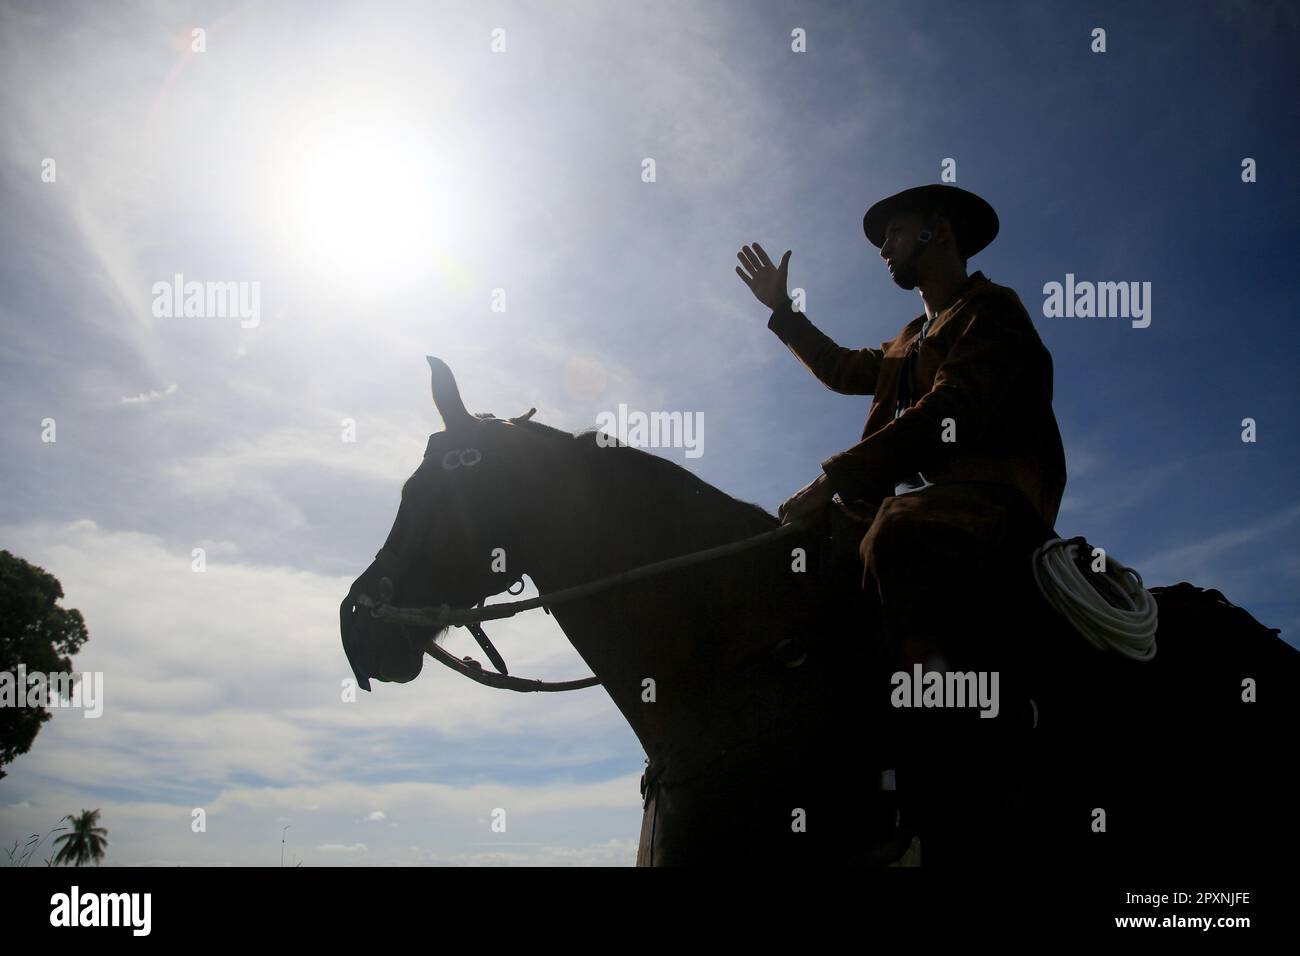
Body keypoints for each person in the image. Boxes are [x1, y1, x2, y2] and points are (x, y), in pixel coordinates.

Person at [736, 184, 1068, 864]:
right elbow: (838, 369)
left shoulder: (991, 311)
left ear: (938, 232)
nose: (882, 248)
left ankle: (977, 730)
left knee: (895, 531)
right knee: (812, 565)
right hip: (917, 512)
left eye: (894, 232)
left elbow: (955, 407)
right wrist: (781, 311)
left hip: (991, 508)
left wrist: (833, 478)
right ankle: (856, 765)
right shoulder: (907, 340)